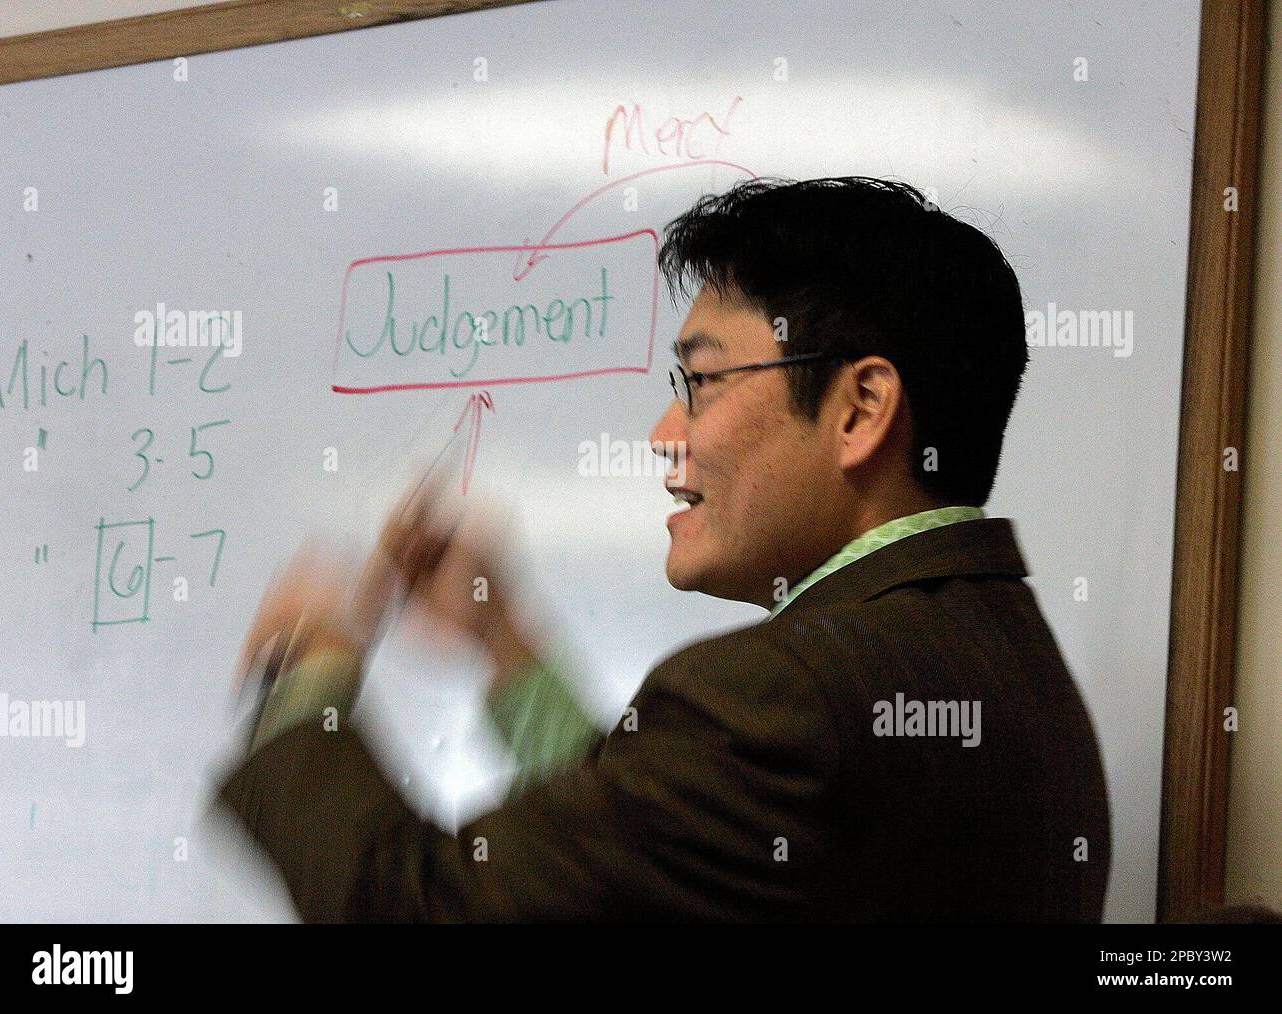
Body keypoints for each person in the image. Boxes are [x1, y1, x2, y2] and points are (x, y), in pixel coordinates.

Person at [213, 176, 1111, 921]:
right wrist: (502, 642)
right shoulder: (1006, 664)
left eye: (705, 381)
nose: (664, 431)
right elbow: (663, 864)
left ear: (861, 410)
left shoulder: (784, 698)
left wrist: (306, 690)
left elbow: (420, 910)